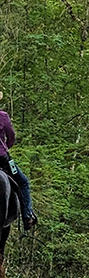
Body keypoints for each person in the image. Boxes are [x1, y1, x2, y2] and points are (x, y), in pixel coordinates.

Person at [0, 93, 38, 231]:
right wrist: (6, 147)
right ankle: (27, 216)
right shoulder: (2, 116)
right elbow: (11, 136)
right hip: (2, 158)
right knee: (23, 182)